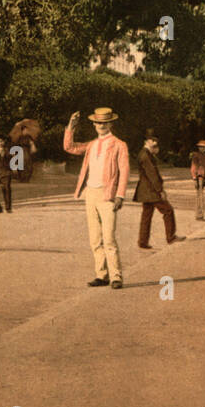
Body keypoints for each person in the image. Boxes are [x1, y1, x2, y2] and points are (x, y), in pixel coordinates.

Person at [64, 107, 131, 290]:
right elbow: (69, 147)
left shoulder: (119, 145)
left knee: (108, 237)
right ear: (94, 124)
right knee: (95, 238)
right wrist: (71, 126)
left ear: (110, 124)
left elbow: (124, 171)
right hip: (90, 193)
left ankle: (116, 276)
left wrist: (120, 195)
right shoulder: (92, 144)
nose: (101, 126)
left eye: (104, 123)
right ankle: (101, 275)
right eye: (98, 123)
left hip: (107, 194)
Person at [136, 130, 184, 248]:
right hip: (152, 190)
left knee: (146, 216)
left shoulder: (144, 153)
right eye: (153, 140)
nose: (155, 142)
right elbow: (152, 174)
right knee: (168, 211)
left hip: (145, 191)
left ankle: (142, 242)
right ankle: (171, 237)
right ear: (147, 141)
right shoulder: (146, 156)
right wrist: (160, 190)